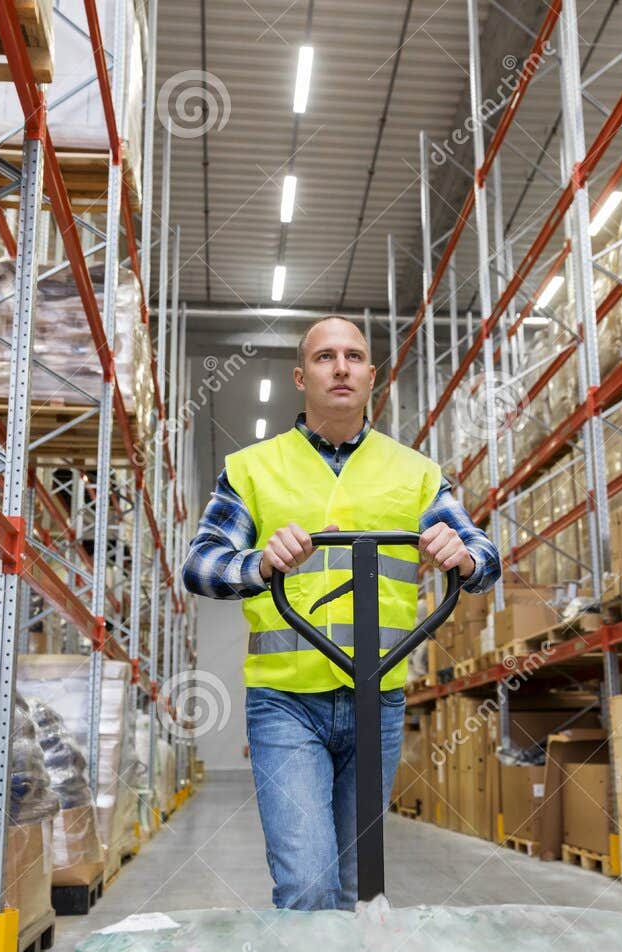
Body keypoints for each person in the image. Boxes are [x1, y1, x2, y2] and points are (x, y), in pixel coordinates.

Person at [182, 315, 500, 910]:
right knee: (307, 884)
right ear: (301, 376)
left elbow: (485, 556)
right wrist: (259, 563)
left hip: (376, 697)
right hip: (285, 703)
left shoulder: (417, 473)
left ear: (371, 375)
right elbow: (200, 565)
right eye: (326, 357)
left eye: (354, 356)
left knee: (362, 886)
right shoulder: (251, 468)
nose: (341, 366)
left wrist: (463, 554)